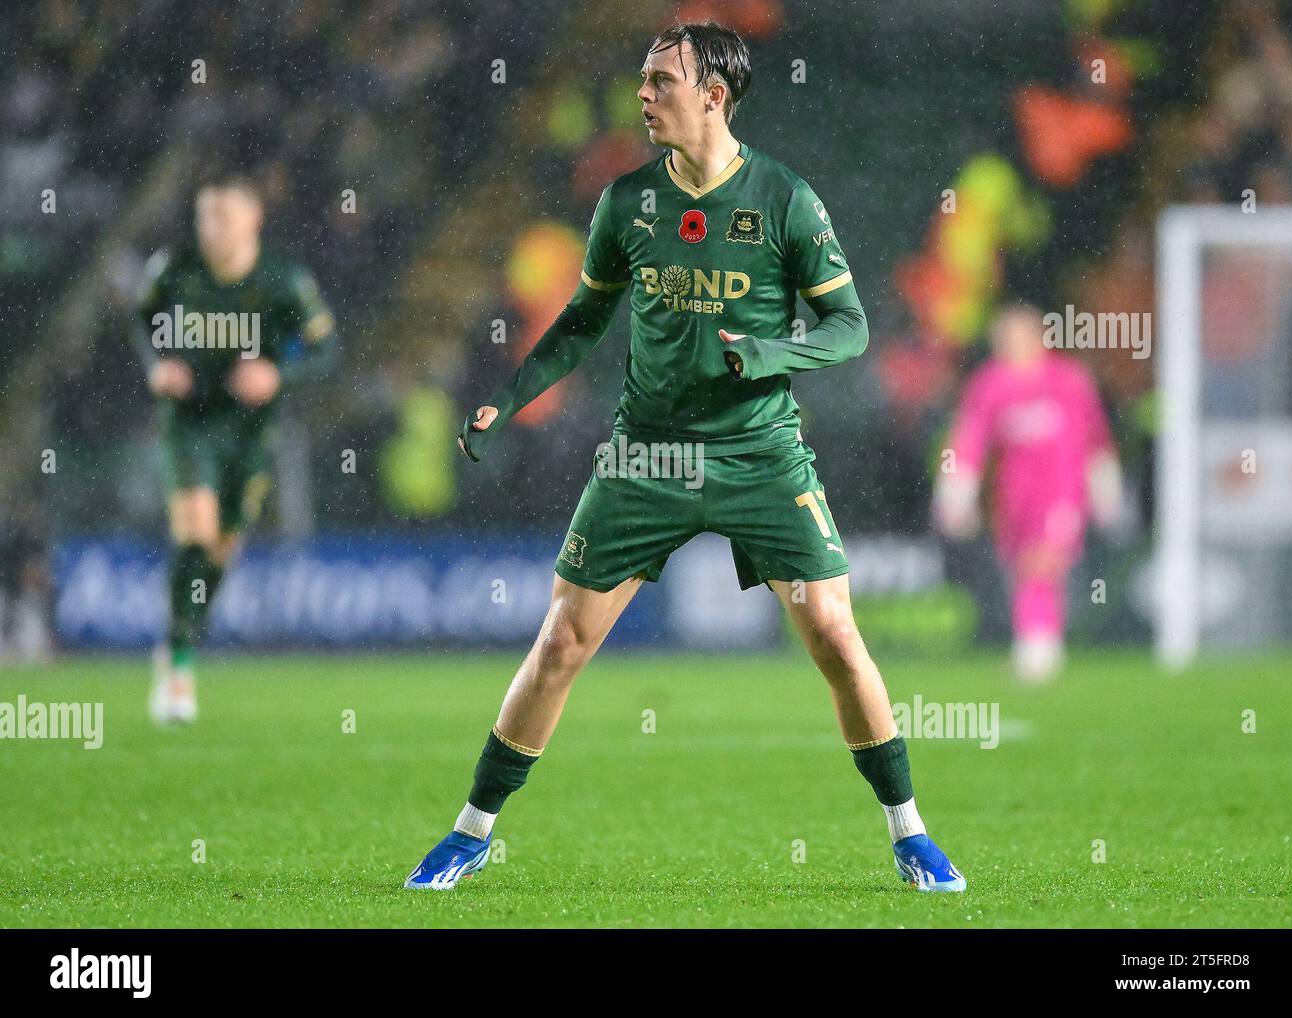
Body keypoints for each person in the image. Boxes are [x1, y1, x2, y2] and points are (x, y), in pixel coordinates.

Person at [405, 23, 965, 893]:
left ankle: (911, 835)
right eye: (642, 78)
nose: (643, 93)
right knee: (561, 641)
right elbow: (586, 320)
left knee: (833, 631)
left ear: (714, 95)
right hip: (647, 458)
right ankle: (471, 832)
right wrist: (511, 395)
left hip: (759, 455)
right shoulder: (626, 202)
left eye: (661, 80)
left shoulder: (785, 199)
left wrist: (773, 355)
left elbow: (850, 327)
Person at [134, 177, 338, 723]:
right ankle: (177, 674)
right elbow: (142, 317)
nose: (211, 229)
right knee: (196, 531)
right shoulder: (175, 268)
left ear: (253, 221)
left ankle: (180, 643)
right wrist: (158, 363)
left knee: (220, 550)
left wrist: (279, 372)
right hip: (188, 423)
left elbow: (326, 348)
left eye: (223, 217)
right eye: (204, 218)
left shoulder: (282, 281)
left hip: (249, 434)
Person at [933, 303, 1121, 681]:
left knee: (1042, 563)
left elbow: (1095, 439)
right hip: (1014, 496)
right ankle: (1036, 642)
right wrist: (956, 493)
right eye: (1005, 338)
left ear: (1040, 338)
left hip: (1062, 494)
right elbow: (969, 441)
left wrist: (1105, 489)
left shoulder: (1068, 381)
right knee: (1021, 566)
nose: (1012, 345)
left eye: (1020, 336)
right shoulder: (990, 384)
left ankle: (1040, 649)